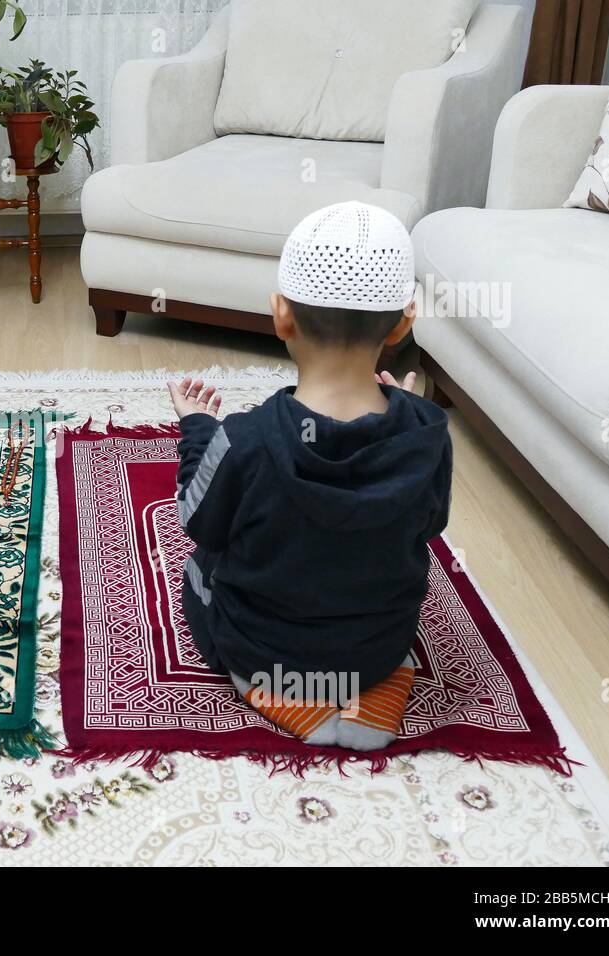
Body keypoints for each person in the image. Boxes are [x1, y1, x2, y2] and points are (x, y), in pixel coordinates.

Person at [169, 201, 452, 751]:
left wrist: (199, 428)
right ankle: (380, 684)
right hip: (376, 646)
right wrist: (407, 418)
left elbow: (197, 519)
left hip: (267, 652)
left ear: (280, 315)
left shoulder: (244, 439)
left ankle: (273, 689)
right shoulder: (429, 431)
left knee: (198, 571)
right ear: (402, 323)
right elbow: (429, 524)